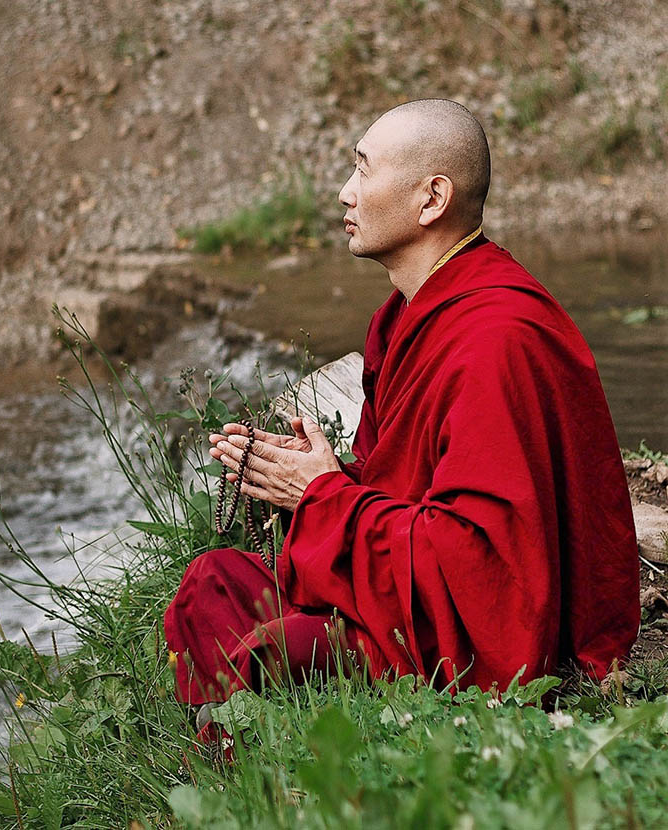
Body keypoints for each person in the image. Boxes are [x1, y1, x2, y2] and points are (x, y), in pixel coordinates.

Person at [165, 99, 639, 706]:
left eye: (363, 170)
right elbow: (401, 487)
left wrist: (321, 497)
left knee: (266, 649)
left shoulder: (498, 341)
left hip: (463, 628)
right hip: (409, 584)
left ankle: (273, 784)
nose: (344, 192)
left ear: (431, 200)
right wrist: (314, 474)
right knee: (213, 583)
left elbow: (482, 576)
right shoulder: (402, 319)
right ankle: (227, 776)